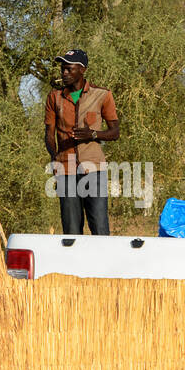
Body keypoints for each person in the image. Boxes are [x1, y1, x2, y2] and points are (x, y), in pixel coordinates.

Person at [44, 48, 120, 235]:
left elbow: (115, 132)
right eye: (63, 69)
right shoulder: (54, 97)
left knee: (100, 229)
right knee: (71, 231)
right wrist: (55, 159)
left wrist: (93, 135)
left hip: (94, 169)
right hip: (65, 169)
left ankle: (101, 265)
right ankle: (73, 265)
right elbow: (49, 134)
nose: (64, 73)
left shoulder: (102, 95)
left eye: (69, 69)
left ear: (82, 70)